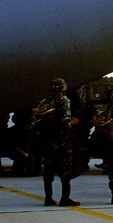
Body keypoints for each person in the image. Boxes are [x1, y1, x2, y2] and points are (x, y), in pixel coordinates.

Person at [31, 78, 79, 207]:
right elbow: (65, 122)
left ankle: (48, 198)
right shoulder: (64, 101)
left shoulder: (45, 101)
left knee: (48, 172)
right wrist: (73, 123)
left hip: (47, 143)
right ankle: (65, 198)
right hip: (61, 142)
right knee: (65, 173)